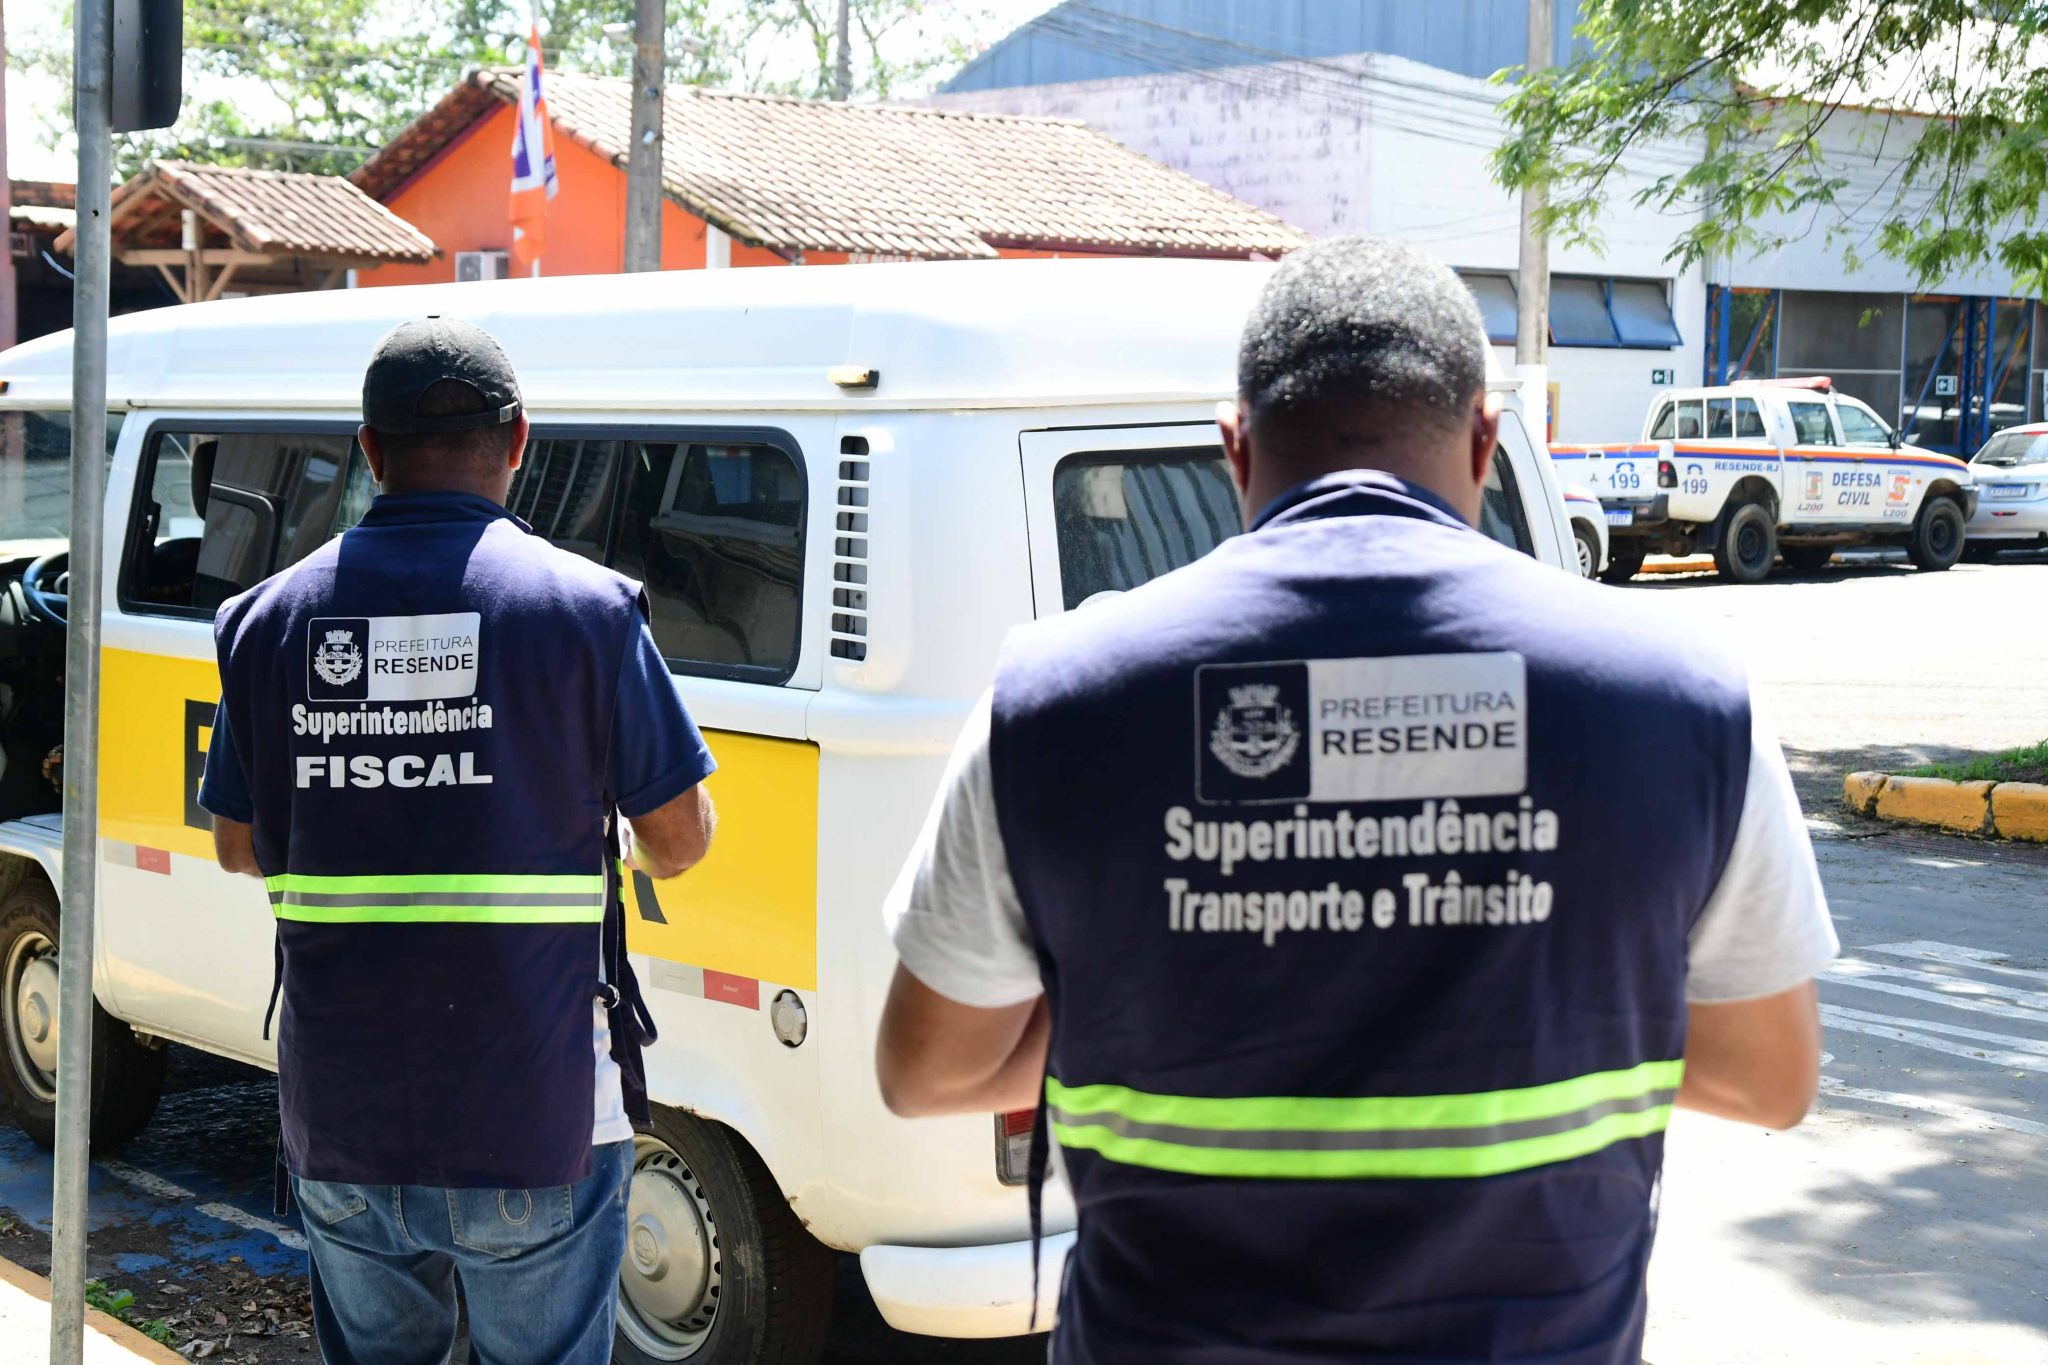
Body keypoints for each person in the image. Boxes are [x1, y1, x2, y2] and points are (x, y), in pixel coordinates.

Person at [874, 236, 1837, 1364]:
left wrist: (1148, 998)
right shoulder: (1684, 698)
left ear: (1234, 449)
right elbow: (1769, 1079)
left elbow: (924, 1069)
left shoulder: (1052, 697)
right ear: (1483, 440)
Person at [200, 316, 718, 1365]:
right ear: (520, 440)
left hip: (343, 1112)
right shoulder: (590, 613)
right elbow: (678, 842)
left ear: (369, 449)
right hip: (537, 1113)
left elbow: (236, 846)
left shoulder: (265, 621)